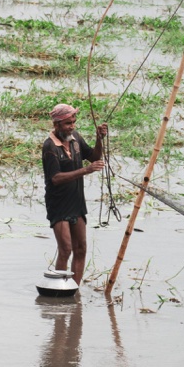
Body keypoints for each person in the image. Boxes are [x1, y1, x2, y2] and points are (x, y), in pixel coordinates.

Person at [42, 103, 107, 287]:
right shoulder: (50, 147)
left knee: (80, 248)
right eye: (68, 123)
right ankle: (58, 288)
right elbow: (55, 178)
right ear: (57, 125)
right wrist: (86, 170)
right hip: (59, 204)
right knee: (66, 249)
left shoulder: (75, 139)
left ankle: (73, 289)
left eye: (73, 122)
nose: (72, 126)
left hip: (76, 201)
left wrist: (99, 139)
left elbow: (94, 156)